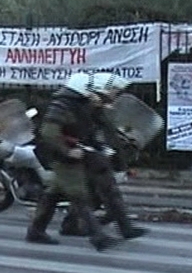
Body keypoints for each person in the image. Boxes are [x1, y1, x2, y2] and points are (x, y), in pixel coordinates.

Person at [26, 72, 120, 252]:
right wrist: (67, 151)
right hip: (62, 157)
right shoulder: (62, 106)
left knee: (53, 193)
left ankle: (36, 230)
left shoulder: (79, 106)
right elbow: (49, 134)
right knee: (78, 194)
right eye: (92, 90)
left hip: (72, 155)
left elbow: (86, 130)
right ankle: (98, 237)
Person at [59, 72, 149, 240]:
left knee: (96, 192)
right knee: (102, 192)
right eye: (114, 90)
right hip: (85, 154)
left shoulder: (98, 107)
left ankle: (72, 224)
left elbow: (107, 131)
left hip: (92, 154)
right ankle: (120, 229)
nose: (116, 94)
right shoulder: (82, 106)